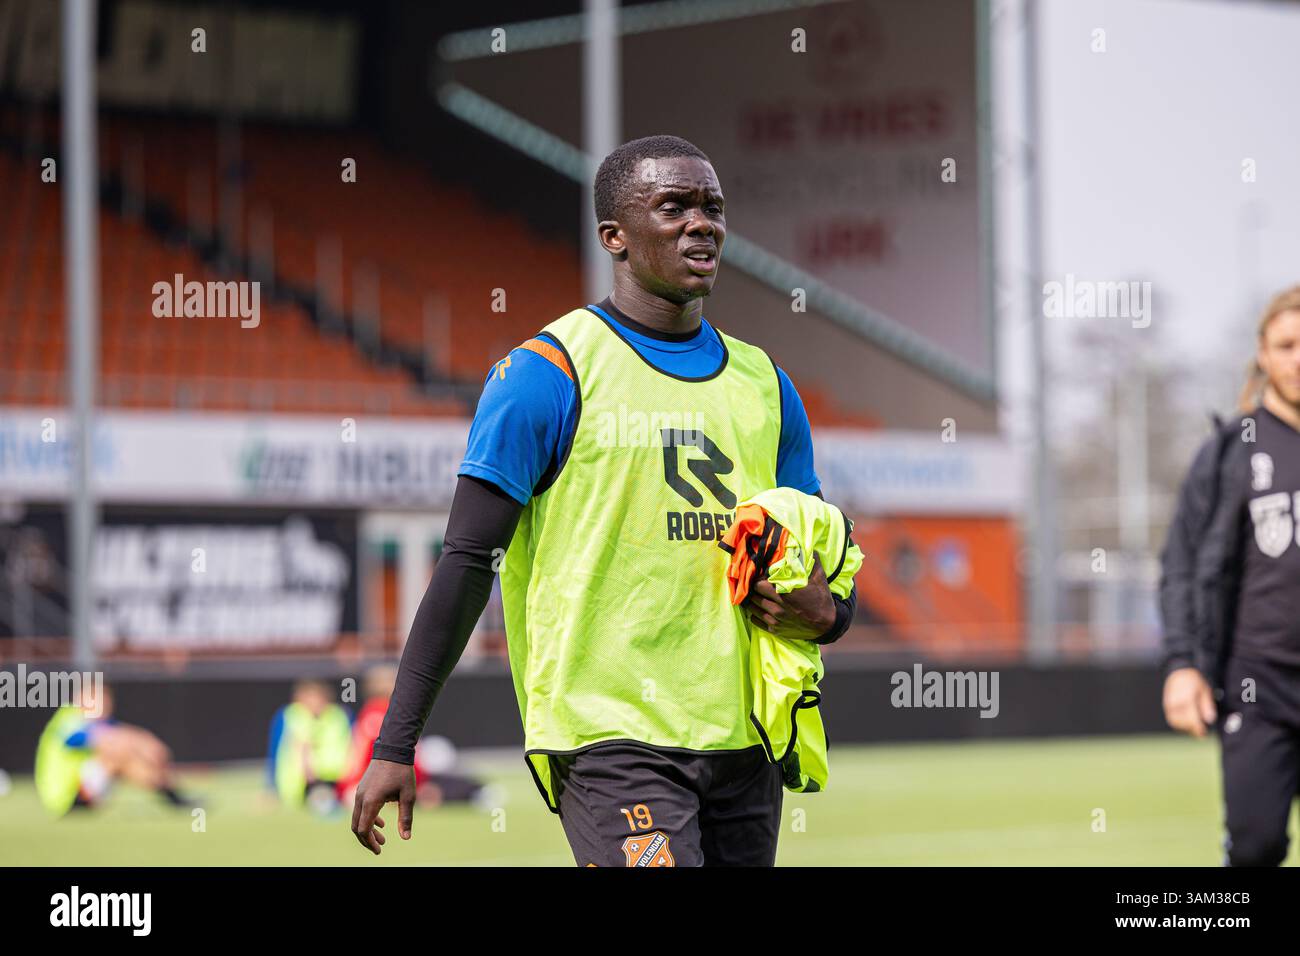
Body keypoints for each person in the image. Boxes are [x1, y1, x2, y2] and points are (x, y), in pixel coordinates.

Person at [351, 135, 858, 866]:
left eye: (712, 208)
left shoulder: (767, 386)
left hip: (744, 736)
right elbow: (466, 563)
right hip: (608, 735)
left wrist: (831, 616)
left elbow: (822, 559)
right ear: (613, 237)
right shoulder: (545, 373)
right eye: (675, 206)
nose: (702, 224)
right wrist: (397, 742)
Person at [1160, 285, 1300, 865]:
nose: (1299, 358)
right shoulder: (1228, 452)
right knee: (1256, 845)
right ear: (1263, 356)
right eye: (1286, 345)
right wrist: (1183, 665)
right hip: (1259, 685)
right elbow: (1184, 564)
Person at [35, 682, 192, 816]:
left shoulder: (93, 721)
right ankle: (173, 797)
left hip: (78, 791)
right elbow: (103, 739)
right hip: (64, 797)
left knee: (126, 758)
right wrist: (144, 745)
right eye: (99, 700)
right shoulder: (71, 718)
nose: (106, 704)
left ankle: (173, 794)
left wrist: (146, 742)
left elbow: (122, 734)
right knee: (117, 756)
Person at [266, 680, 352, 811]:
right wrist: (271, 786)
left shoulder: (338, 716)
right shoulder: (291, 717)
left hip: (336, 777)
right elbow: (276, 751)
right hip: (301, 783)